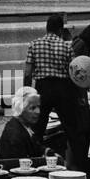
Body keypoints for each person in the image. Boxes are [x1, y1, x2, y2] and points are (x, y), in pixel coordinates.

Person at [26, 15, 79, 154]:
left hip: (42, 87)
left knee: (38, 125)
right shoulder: (67, 47)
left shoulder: (34, 44)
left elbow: (27, 73)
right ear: (61, 30)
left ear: (46, 28)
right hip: (62, 87)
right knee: (70, 126)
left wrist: (27, 92)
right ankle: (75, 160)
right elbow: (74, 72)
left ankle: (35, 155)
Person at [0, 86, 44, 162]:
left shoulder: (24, 126)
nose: (38, 112)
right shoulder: (15, 132)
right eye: (32, 108)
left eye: (39, 107)